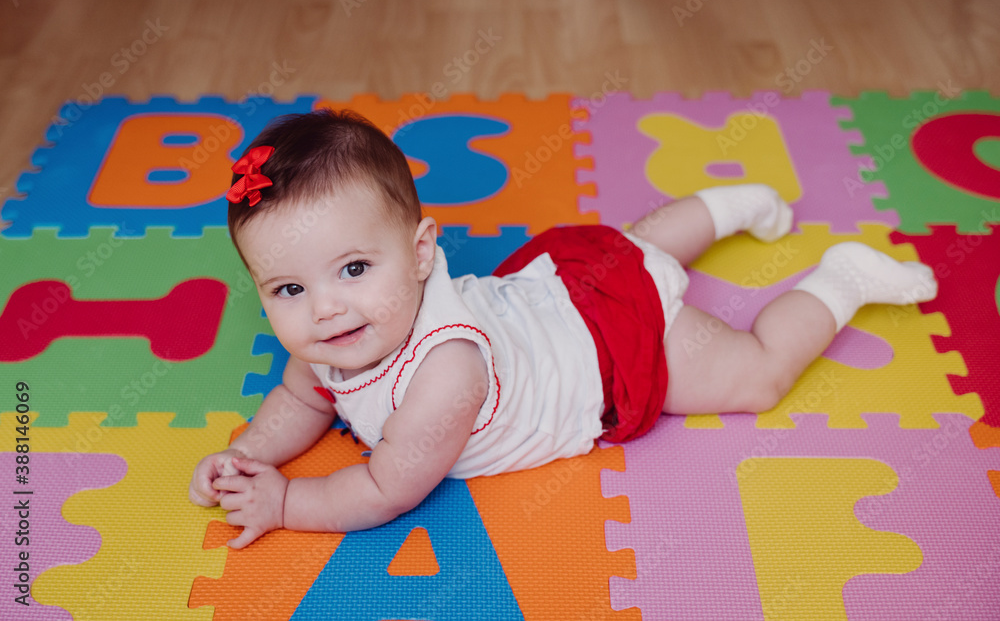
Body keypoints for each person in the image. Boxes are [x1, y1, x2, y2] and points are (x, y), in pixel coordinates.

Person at [188, 109, 937, 549]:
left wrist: (286, 504)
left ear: (422, 254)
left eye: (353, 269)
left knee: (756, 373)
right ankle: (728, 207)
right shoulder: (332, 341)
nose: (324, 308)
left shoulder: (447, 369)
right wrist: (246, 455)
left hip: (608, 346)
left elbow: (386, 488)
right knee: (632, 249)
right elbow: (302, 398)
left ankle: (843, 279)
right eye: (289, 287)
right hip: (560, 281)